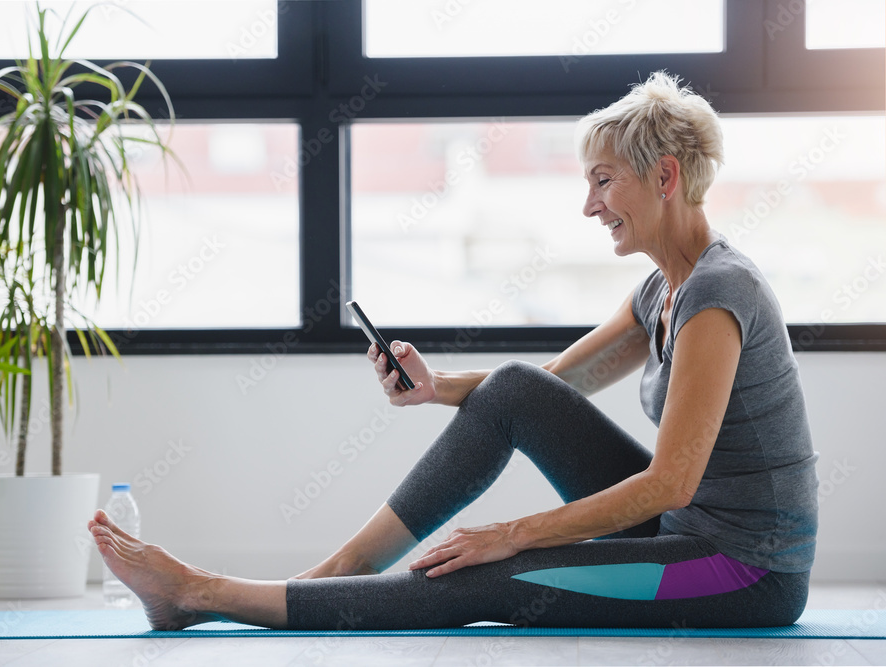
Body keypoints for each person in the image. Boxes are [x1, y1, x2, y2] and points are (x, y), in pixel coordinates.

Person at [88, 71, 818, 631]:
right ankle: (342, 569)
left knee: (496, 574)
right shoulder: (665, 288)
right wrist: (434, 386)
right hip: (684, 534)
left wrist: (509, 535)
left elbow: (671, 484)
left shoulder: (721, 294)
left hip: (745, 569)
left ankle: (201, 593)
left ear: (664, 177)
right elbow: (546, 390)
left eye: (603, 180)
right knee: (510, 389)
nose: (590, 205)